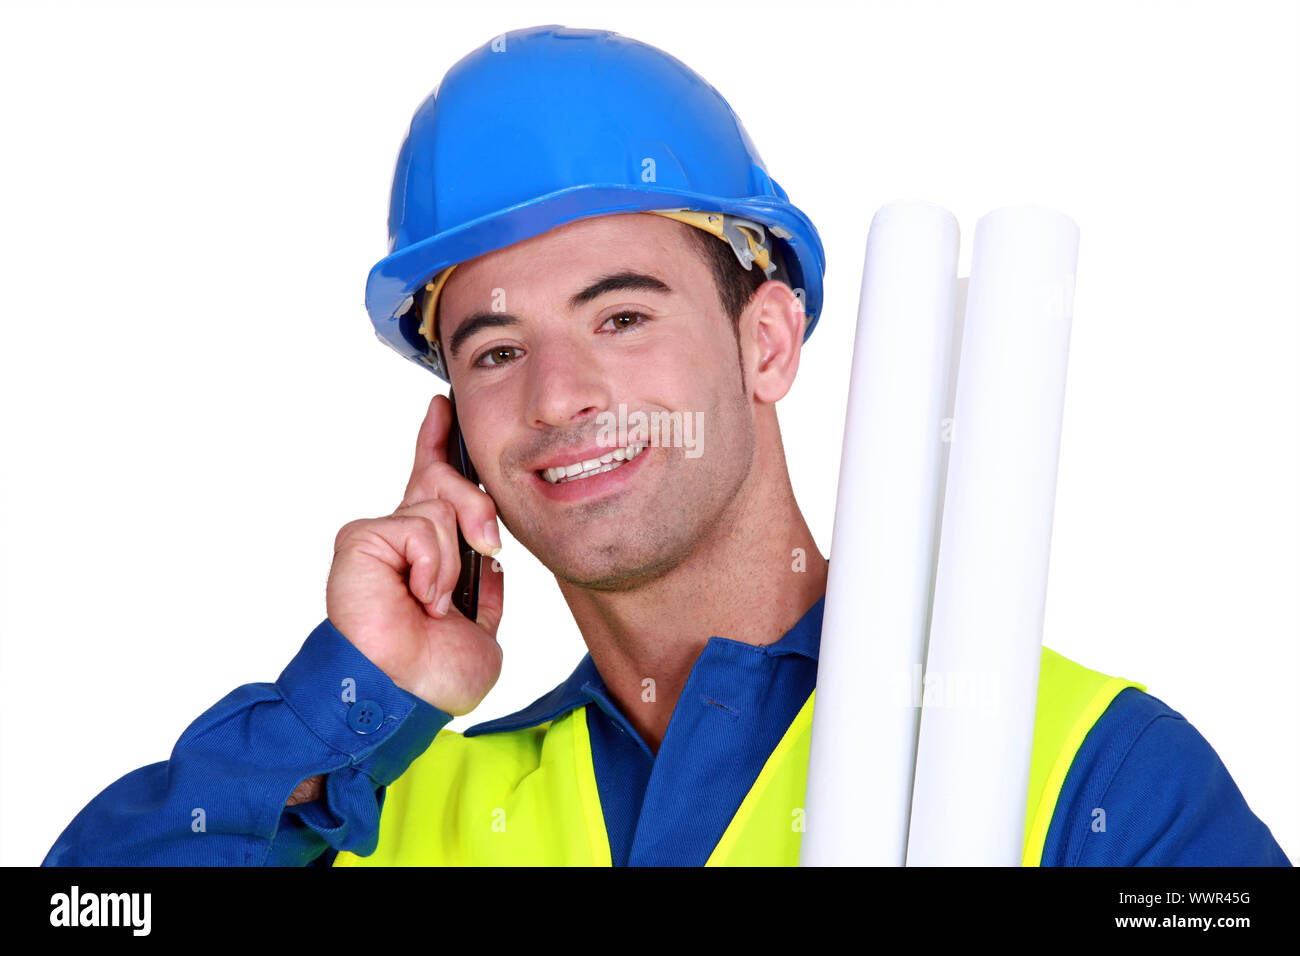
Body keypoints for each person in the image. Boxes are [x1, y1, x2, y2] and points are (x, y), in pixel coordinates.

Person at [44, 25, 1290, 867]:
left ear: (768, 343)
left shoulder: (1079, 766)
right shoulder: (398, 810)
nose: (560, 394)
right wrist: (356, 692)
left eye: (623, 316)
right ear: (455, 436)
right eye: (493, 349)